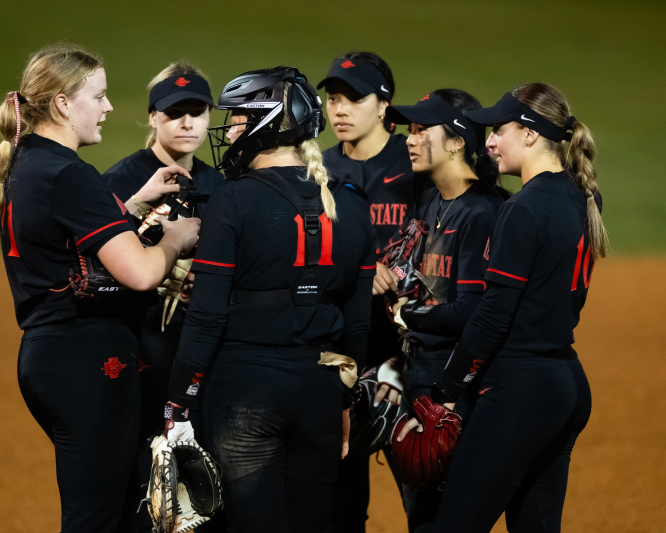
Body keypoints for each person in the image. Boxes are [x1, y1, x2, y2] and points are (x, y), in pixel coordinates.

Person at [0, 43, 200, 533]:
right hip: (89, 364)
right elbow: (141, 273)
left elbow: (66, 241)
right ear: (62, 103)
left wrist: (133, 204)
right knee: (99, 519)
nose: (108, 107)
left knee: (109, 506)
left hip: (50, 358)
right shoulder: (69, 174)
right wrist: (175, 238)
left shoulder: (29, 162)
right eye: (98, 96)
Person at [162, 66, 377, 533]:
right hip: (320, 392)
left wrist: (177, 404)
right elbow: (358, 324)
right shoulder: (353, 206)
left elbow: (207, 316)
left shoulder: (232, 201)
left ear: (269, 122)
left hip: (243, 394)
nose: (230, 129)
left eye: (238, 118)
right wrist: (344, 400)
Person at [417, 83, 605, 533]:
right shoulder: (585, 196)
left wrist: (446, 388)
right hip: (565, 384)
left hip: (520, 390)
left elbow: (494, 315)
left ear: (530, 134)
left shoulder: (523, 209)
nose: (491, 142)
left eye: (499, 130)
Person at [101, 62, 223, 531]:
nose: (188, 123)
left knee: (200, 482)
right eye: (175, 113)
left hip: (198, 351)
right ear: (152, 117)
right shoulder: (121, 181)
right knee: (140, 476)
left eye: (197, 112)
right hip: (140, 346)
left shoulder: (221, 186)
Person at [375, 89, 505, 530]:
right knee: (422, 513)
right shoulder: (432, 198)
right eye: (409, 130)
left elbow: (473, 309)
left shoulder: (482, 212)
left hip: (458, 385)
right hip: (421, 375)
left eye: (419, 130)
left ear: (455, 141)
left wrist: (409, 315)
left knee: (448, 517)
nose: (409, 140)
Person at [318, 51, 432, 533]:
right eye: (332, 99)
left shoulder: (415, 167)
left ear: (384, 105)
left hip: (408, 356)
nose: (339, 110)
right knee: (340, 503)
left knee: (424, 494)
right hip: (341, 351)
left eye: (354, 99)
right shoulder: (316, 168)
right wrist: (364, 271)